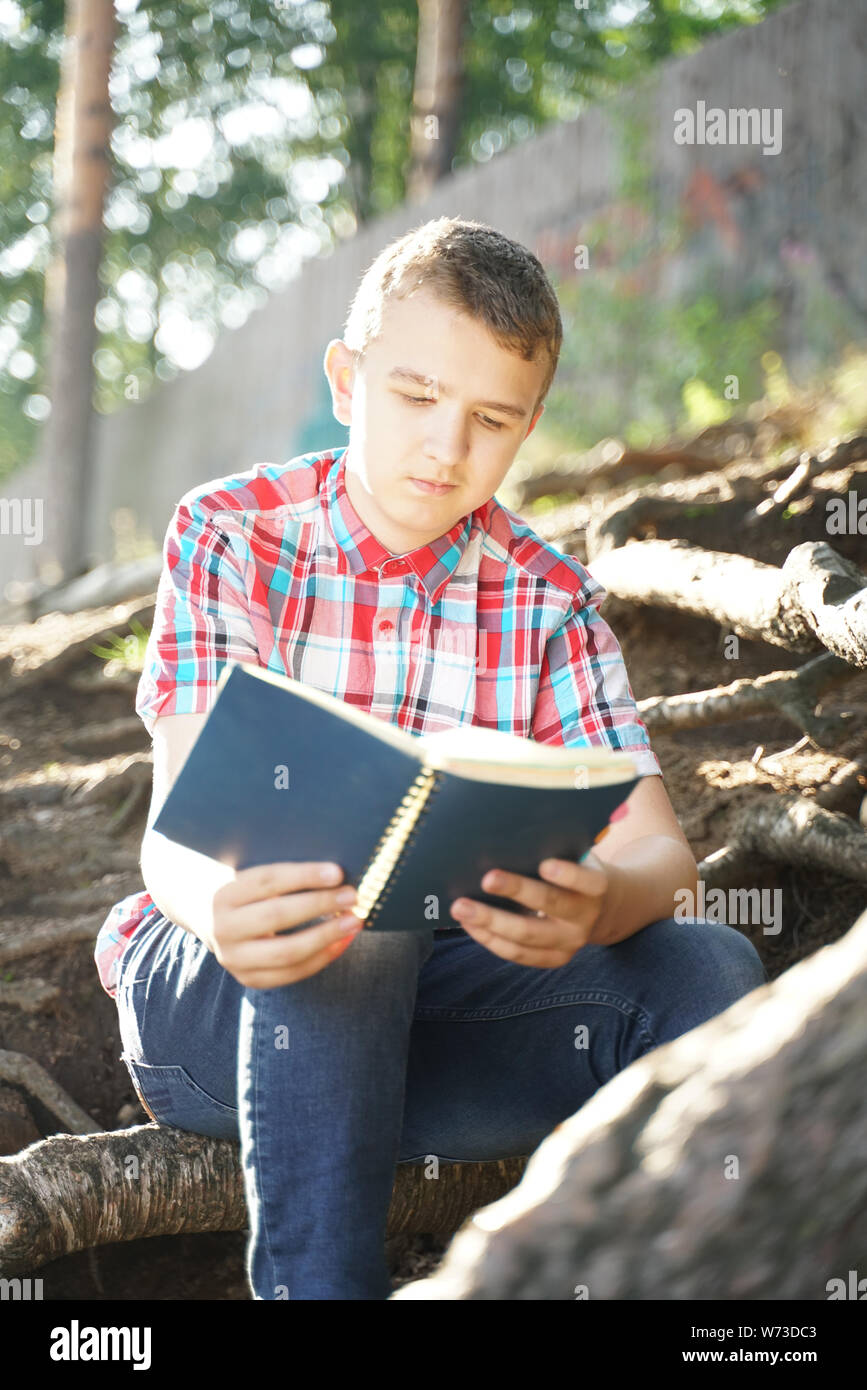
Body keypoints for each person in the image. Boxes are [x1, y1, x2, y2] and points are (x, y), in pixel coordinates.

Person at [95, 216, 768, 1301]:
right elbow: (181, 824)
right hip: (223, 1001)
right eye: (414, 398)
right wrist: (222, 905)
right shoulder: (231, 532)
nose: (445, 449)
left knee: (710, 966)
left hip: (438, 1040)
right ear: (347, 378)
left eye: (490, 420)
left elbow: (662, 855)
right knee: (355, 913)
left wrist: (599, 904)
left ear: (531, 425)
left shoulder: (549, 598)